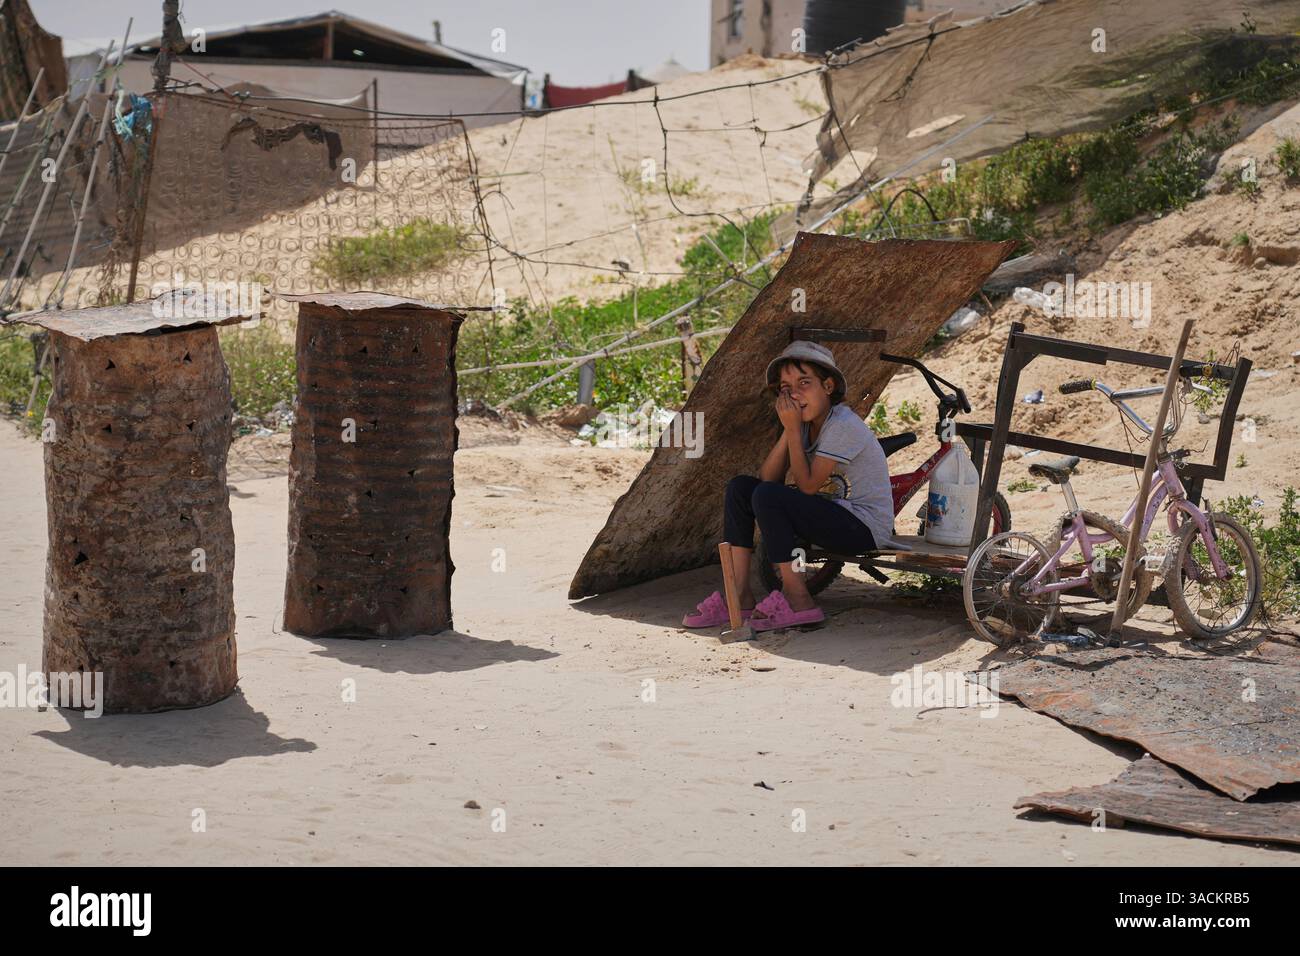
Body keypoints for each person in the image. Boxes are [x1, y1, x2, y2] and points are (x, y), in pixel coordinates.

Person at [682, 340, 894, 632]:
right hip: (831, 514)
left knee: (769, 495)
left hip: (863, 528)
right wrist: (789, 429)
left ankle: (798, 599)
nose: (794, 393)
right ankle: (739, 596)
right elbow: (768, 479)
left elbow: (807, 487)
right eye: (786, 388)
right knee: (741, 488)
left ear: (828, 386)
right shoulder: (804, 424)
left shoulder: (842, 424)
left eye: (804, 383)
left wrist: (793, 429)